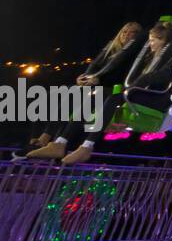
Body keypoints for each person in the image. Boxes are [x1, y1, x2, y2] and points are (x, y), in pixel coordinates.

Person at [58, 21, 172, 166]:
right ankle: (61, 141)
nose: (151, 44)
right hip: (137, 92)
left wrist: (133, 85)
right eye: (150, 40)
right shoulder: (149, 58)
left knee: (113, 97)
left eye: (153, 41)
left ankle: (87, 146)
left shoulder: (169, 58)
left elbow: (159, 76)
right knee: (96, 95)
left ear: (163, 41)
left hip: (153, 96)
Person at [24, 21, 145, 161]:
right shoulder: (110, 49)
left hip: (112, 88)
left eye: (132, 33)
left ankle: (56, 140)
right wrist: (83, 78)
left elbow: (122, 76)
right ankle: (43, 137)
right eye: (124, 32)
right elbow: (94, 66)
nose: (127, 35)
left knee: (82, 96)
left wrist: (98, 81)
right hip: (95, 84)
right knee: (57, 94)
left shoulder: (134, 55)